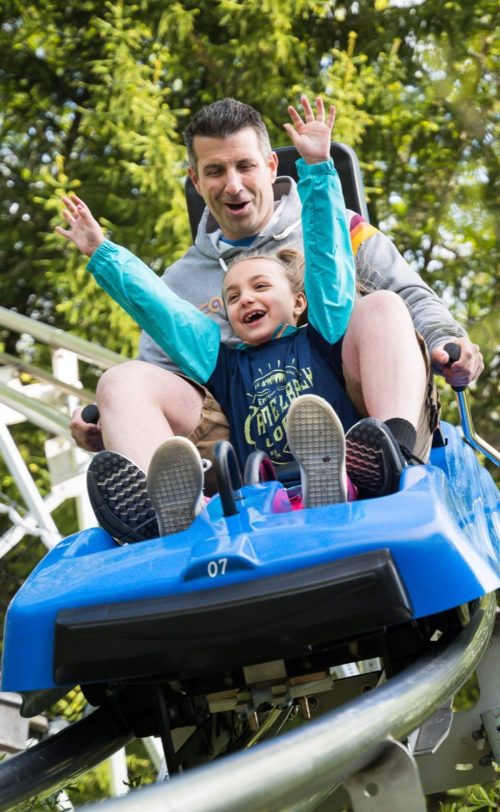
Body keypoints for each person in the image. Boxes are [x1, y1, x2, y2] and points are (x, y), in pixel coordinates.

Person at [58, 95, 483, 540]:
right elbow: (163, 360)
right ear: (196, 181)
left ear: (270, 165)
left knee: (381, 306)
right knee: (121, 381)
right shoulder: (180, 283)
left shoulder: (342, 230)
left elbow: (406, 294)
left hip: (357, 409)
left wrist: (446, 339)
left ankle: (385, 455)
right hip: (240, 442)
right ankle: (164, 516)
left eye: (244, 166)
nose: (234, 185)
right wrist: (110, 422)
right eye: (216, 171)